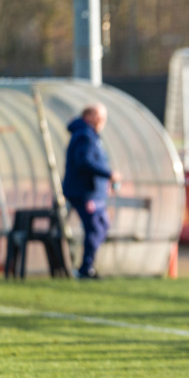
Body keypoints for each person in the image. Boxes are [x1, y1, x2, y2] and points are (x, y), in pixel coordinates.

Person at [62, 103, 120, 279]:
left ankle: (87, 266)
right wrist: (109, 174)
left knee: (101, 226)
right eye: (99, 116)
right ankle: (85, 269)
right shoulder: (84, 135)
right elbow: (84, 162)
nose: (102, 121)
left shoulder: (91, 135)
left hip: (93, 192)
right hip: (85, 193)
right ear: (88, 116)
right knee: (95, 228)